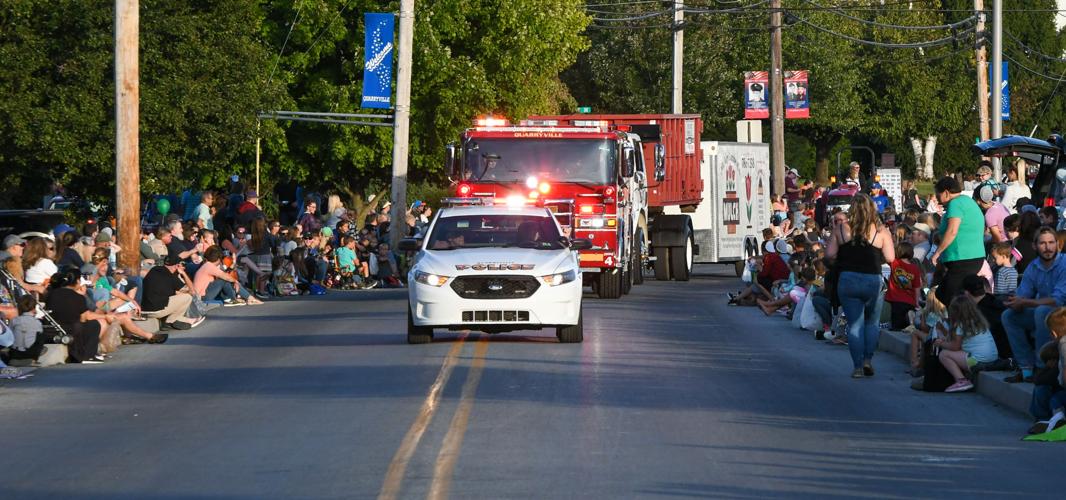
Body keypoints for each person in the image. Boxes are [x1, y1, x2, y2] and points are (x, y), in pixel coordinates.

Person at [826, 193, 895, 378]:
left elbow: (829, 254)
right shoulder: (881, 231)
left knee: (854, 325)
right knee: (872, 323)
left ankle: (857, 367)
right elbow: (890, 258)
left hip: (848, 278)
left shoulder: (841, 229)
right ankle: (867, 360)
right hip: (872, 279)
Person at [1002, 227, 1066, 383]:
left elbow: (1058, 300)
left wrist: (1025, 302)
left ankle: (1041, 366)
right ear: (1035, 246)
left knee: (1042, 311)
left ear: (1057, 245)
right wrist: (1015, 302)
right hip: (1044, 313)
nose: (1048, 247)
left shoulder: (1064, 264)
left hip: (1061, 315)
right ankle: (1026, 369)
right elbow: (1023, 294)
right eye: (1043, 243)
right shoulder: (1033, 266)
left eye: (1051, 243)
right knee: (1009, 316)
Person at [930, 177, 986, 305]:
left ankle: (962, 322)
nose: (937, 198)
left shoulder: (956, 203)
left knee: (950, 297)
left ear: (946, 193)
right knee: (943, 293)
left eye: (937, 194)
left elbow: (952, 231)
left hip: (963, 258)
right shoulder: (967, 202)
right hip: (970, 257)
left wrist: (937, 253)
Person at [936, 295, 1000, 392]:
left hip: (977, 362)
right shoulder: (979, 322)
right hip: (992, 359)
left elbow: (955, 347)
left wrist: (940, 343)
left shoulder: (961, 325)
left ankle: (961, 381)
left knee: (944, 354)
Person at [44, 269, 103, 363]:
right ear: (77, 281)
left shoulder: (50, 294)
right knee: (93, 325)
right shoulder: (79, 297)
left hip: (52, 329)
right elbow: (84, 318)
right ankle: (88, 355)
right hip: (71, 329)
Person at [1027, 307, 1066, 434]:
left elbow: (1041, 380)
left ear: (1054, 333)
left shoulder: (1063, 345)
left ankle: (1047, 420)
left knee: (1048, 393)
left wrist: (1048, 369)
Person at [141, 255, 201, 330]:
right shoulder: (171, 276)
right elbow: (192, 291)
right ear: (177, 265)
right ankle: (171, 320)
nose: (183, 267)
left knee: (177, 295)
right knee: (187, 297)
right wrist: (183, 273)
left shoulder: (154, 270)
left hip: (144, 309)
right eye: (182, 265)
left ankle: (184, 319)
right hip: (156, 310)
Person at [886, 241, 921, 331]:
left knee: (896, 326)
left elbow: (887, 253)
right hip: (910, 301)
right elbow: (917, 287)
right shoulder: (915, 268)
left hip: (896, 300)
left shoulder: (894, 263)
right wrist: (916, 302)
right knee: (906, 327)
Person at [8, 294, 46, 363]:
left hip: (15, 353)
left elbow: (9, 336)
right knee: (41, 338)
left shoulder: (14, 320)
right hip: (30, 353)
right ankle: (33, 359)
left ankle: (14, 359)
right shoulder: (37, 322)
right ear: (34, 308)